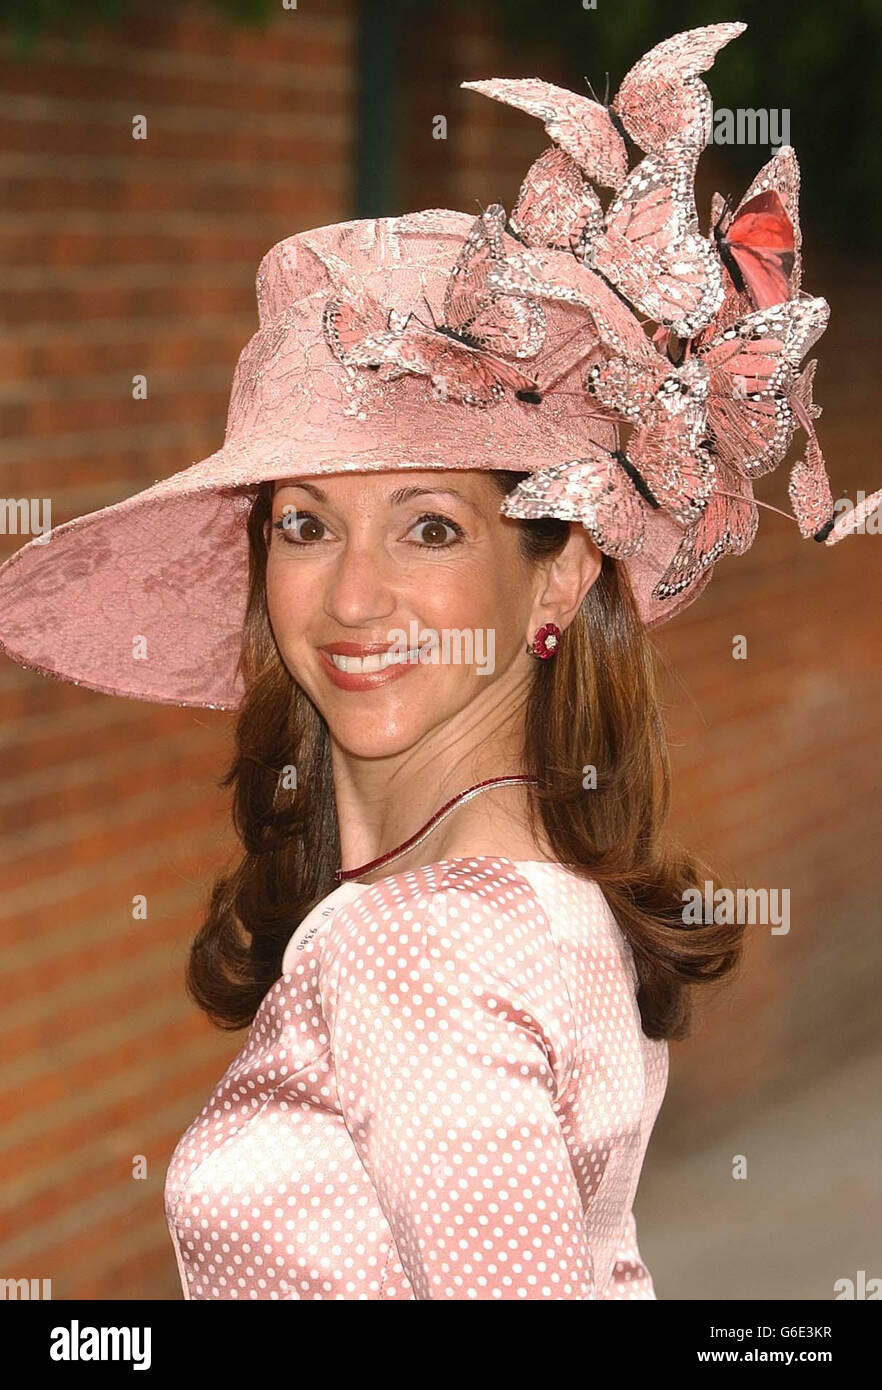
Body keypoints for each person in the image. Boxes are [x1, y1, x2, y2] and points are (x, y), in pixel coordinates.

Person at [0, 24, 863, 1300]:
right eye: (304, 522)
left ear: (561, 567)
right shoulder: (547, 912)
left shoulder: (416, 947)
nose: (352, 594)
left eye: (432, 524)